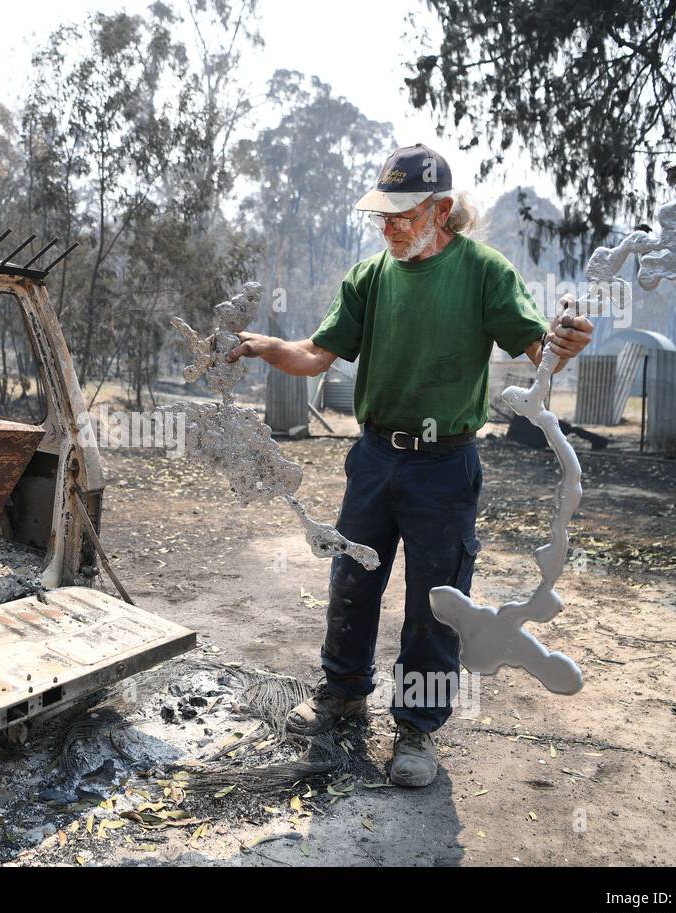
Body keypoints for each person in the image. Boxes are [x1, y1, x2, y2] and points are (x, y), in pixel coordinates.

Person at [225, 144, 594, 787]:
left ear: (441, 210)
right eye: (382, 216)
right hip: (373, 458)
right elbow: (316, 355)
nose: (388, 226)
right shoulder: (370, 279)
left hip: (444, 468)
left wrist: (564, 344)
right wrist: (265, 348)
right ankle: (341, 697)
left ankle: (417, 734)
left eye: (402, 214)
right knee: (351, 582)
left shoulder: (483, 272)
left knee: (436, 604)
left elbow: (541, 352)